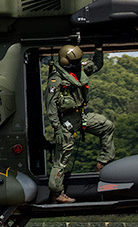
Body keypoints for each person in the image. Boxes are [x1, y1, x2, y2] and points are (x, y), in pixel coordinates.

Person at [46, 44, 116, 203]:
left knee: (107, 126)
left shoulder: (79, 71)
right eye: (75, 61)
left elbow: (96, 65)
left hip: (81, 116)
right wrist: (57, 129)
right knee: (62, 159)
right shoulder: (56, 80)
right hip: (66, 122)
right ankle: (56, 193)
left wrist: (98, 48)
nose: (78, 64)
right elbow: (50, 108)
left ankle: (103, 163)